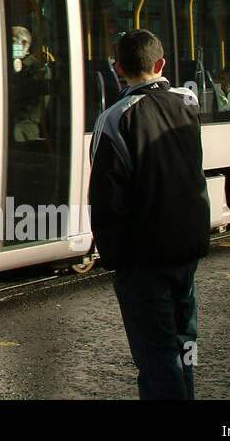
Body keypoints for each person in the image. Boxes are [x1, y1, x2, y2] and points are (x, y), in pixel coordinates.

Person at [89, 29, 209, 400]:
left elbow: (107, 199)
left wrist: (114, 258)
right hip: (186, 251)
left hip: (143, 259)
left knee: (157, 358)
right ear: (161, 65)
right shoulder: (187, 103)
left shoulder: (114, 118)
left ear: (118, 68)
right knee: (181, 347)